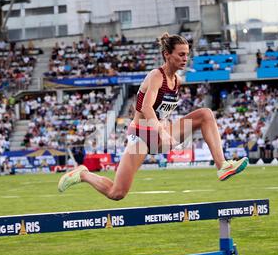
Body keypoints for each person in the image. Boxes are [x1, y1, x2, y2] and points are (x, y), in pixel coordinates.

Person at [57, 33, 248, 201]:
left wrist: (164, 130)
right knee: (117, 193)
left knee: (205, 115)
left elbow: (161, 110)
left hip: (158, 133)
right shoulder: (157, 76)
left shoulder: (177, 80)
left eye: (187, 54)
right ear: (167, 55)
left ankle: (222, 165)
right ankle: (83, 174)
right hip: (141, 136)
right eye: (181, 54)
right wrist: (162, 133)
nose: (185, 58)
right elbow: (146, 107)